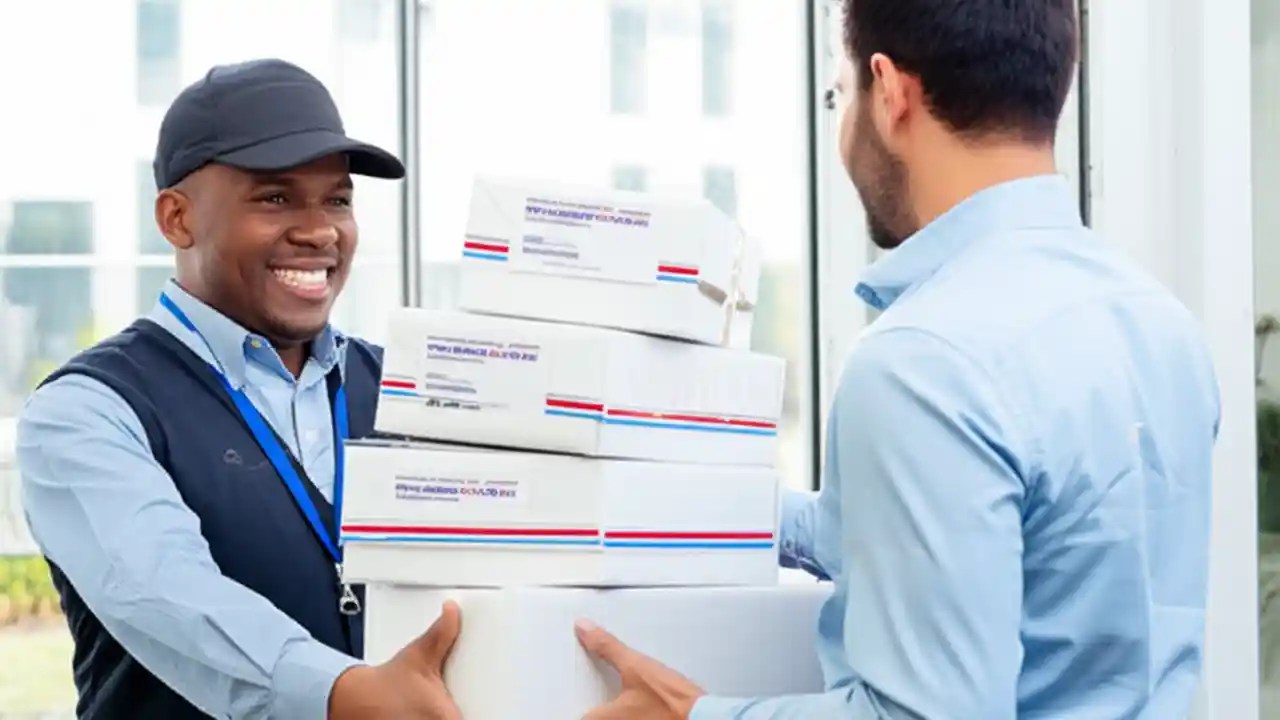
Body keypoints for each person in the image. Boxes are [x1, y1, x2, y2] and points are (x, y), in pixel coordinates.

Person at [574, 1, 1220, 718]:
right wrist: (734, 514)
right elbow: (1032, 563)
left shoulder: (923, 362)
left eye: (838, 92)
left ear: (888, 93)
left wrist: (695, 715)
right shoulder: (1162, 328)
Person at [16, 59, 462, 719]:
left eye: (337, 198)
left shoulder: (404, 390)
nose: (319, 230)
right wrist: (346, 696)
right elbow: (165, 593)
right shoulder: (87, 411)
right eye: (275, 198)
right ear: (177, 218)